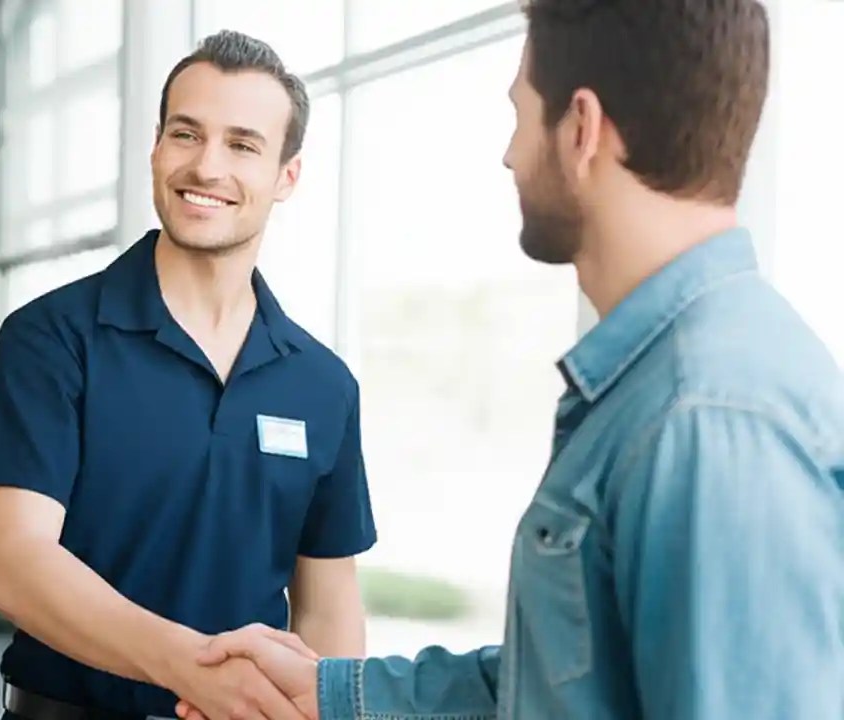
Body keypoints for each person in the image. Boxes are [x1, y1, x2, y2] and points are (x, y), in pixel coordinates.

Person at [177, 0, 844, 718]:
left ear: (581, 130)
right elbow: (562, 677)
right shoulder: (672, 385)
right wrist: (331, 693)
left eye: (521, 115)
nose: (510, 155)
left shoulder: (706, 419)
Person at [0, 29, 378, 720]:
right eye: (186, 134)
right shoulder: (51, 339)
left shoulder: (324, 386)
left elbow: (328, 609)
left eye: (242, 145)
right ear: (155, 148)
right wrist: (194, 670)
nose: (207, 166)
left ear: (286, 176)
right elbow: (16, 567)